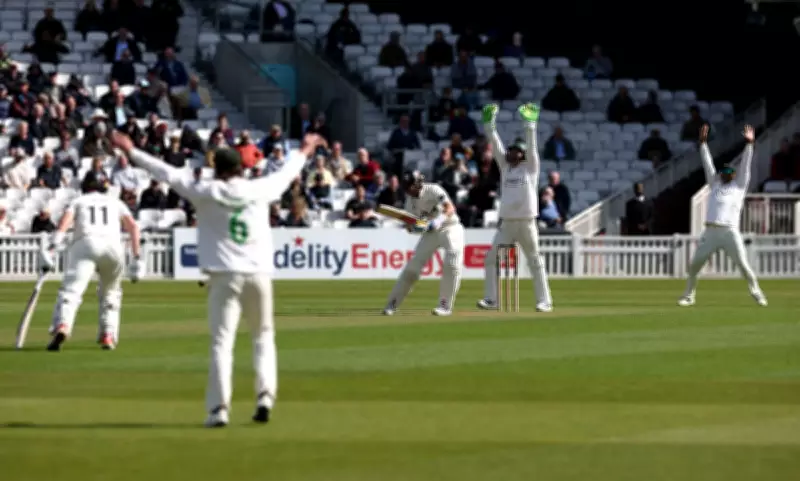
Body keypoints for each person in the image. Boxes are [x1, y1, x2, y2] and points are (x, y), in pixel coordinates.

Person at [110, 130, 324, 428]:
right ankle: (265, 396)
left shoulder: (205, 191)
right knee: (263, 336)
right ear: (241, 168)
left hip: (224, 277)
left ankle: (219, 409)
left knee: (222, 343)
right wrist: (305, 148)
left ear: (218, 170)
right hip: (259, 275)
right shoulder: (260, 189)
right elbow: (288, 172)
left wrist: (131, 150)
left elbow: (167, 173)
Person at [38, 175, 142, 352]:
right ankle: (108, 335)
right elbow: (133, 226)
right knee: (111, 293)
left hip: (86, 244)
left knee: (71, 290)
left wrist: (53, 247)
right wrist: (137, 256)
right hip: (113, 248)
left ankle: (63, 325)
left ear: (85, 186)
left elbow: (64, 223)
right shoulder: (115, 202)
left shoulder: (79, 200)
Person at [678, 124, 767, 307]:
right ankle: (689, 296)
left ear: (733, 175)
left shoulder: (740, 187)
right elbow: (707, 165)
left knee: (743, 265)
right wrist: (703, 144)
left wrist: (749, 145)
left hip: (730, 233)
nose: (724, 175)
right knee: (695, 265)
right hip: (710, 231)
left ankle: (757, 292)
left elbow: (746, 167)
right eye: (722, 173)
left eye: (728, 173)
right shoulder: (715, 184)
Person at [477, 103, 553, 312]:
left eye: (516, 151)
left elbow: (533, 145)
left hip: (527, 223)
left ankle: (544, 301)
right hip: (508, 224)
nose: (511, 153)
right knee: (491, 259)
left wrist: (530, 125)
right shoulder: (505, 168)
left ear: (523, 153)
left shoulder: (531, 168)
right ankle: (491, 299)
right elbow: (495, 144)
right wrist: (489, 126)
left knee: (535, 261)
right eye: (510, 150)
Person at [382, 171, 464, 316]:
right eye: (406, 187)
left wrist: (438, 221)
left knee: (452, 262)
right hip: (430, 234)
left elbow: (450, 208)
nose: (408, 190)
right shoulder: (409, 202)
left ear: (418, 183)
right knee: (412, 269)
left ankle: (445, 306)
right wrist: (416, 228)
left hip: (450, 227)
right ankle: (392, 303)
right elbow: (411, 226)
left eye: (410, 186)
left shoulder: (434, 189)